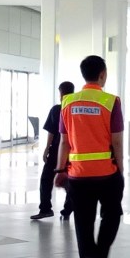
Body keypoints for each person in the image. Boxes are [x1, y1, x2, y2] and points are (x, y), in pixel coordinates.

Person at [54, 55, 124, 258]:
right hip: (106, 172)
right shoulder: (111, 101)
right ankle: (98, 257)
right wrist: (120, 170)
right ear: (102, 74)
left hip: (77, 174)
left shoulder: (67, 102)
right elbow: (117, 142)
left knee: (83, 221)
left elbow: (64, 142)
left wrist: (59, 170)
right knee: (111, 215)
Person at [31, 81, 75, 221]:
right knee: (70, 181)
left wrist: (45, 149)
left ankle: (45, 209)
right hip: (73, 151)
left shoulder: (57, 109)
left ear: (61, 93)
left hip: (56, 150)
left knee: (46, 179)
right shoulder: (76, 109)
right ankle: (67, 210)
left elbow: (51, 132)